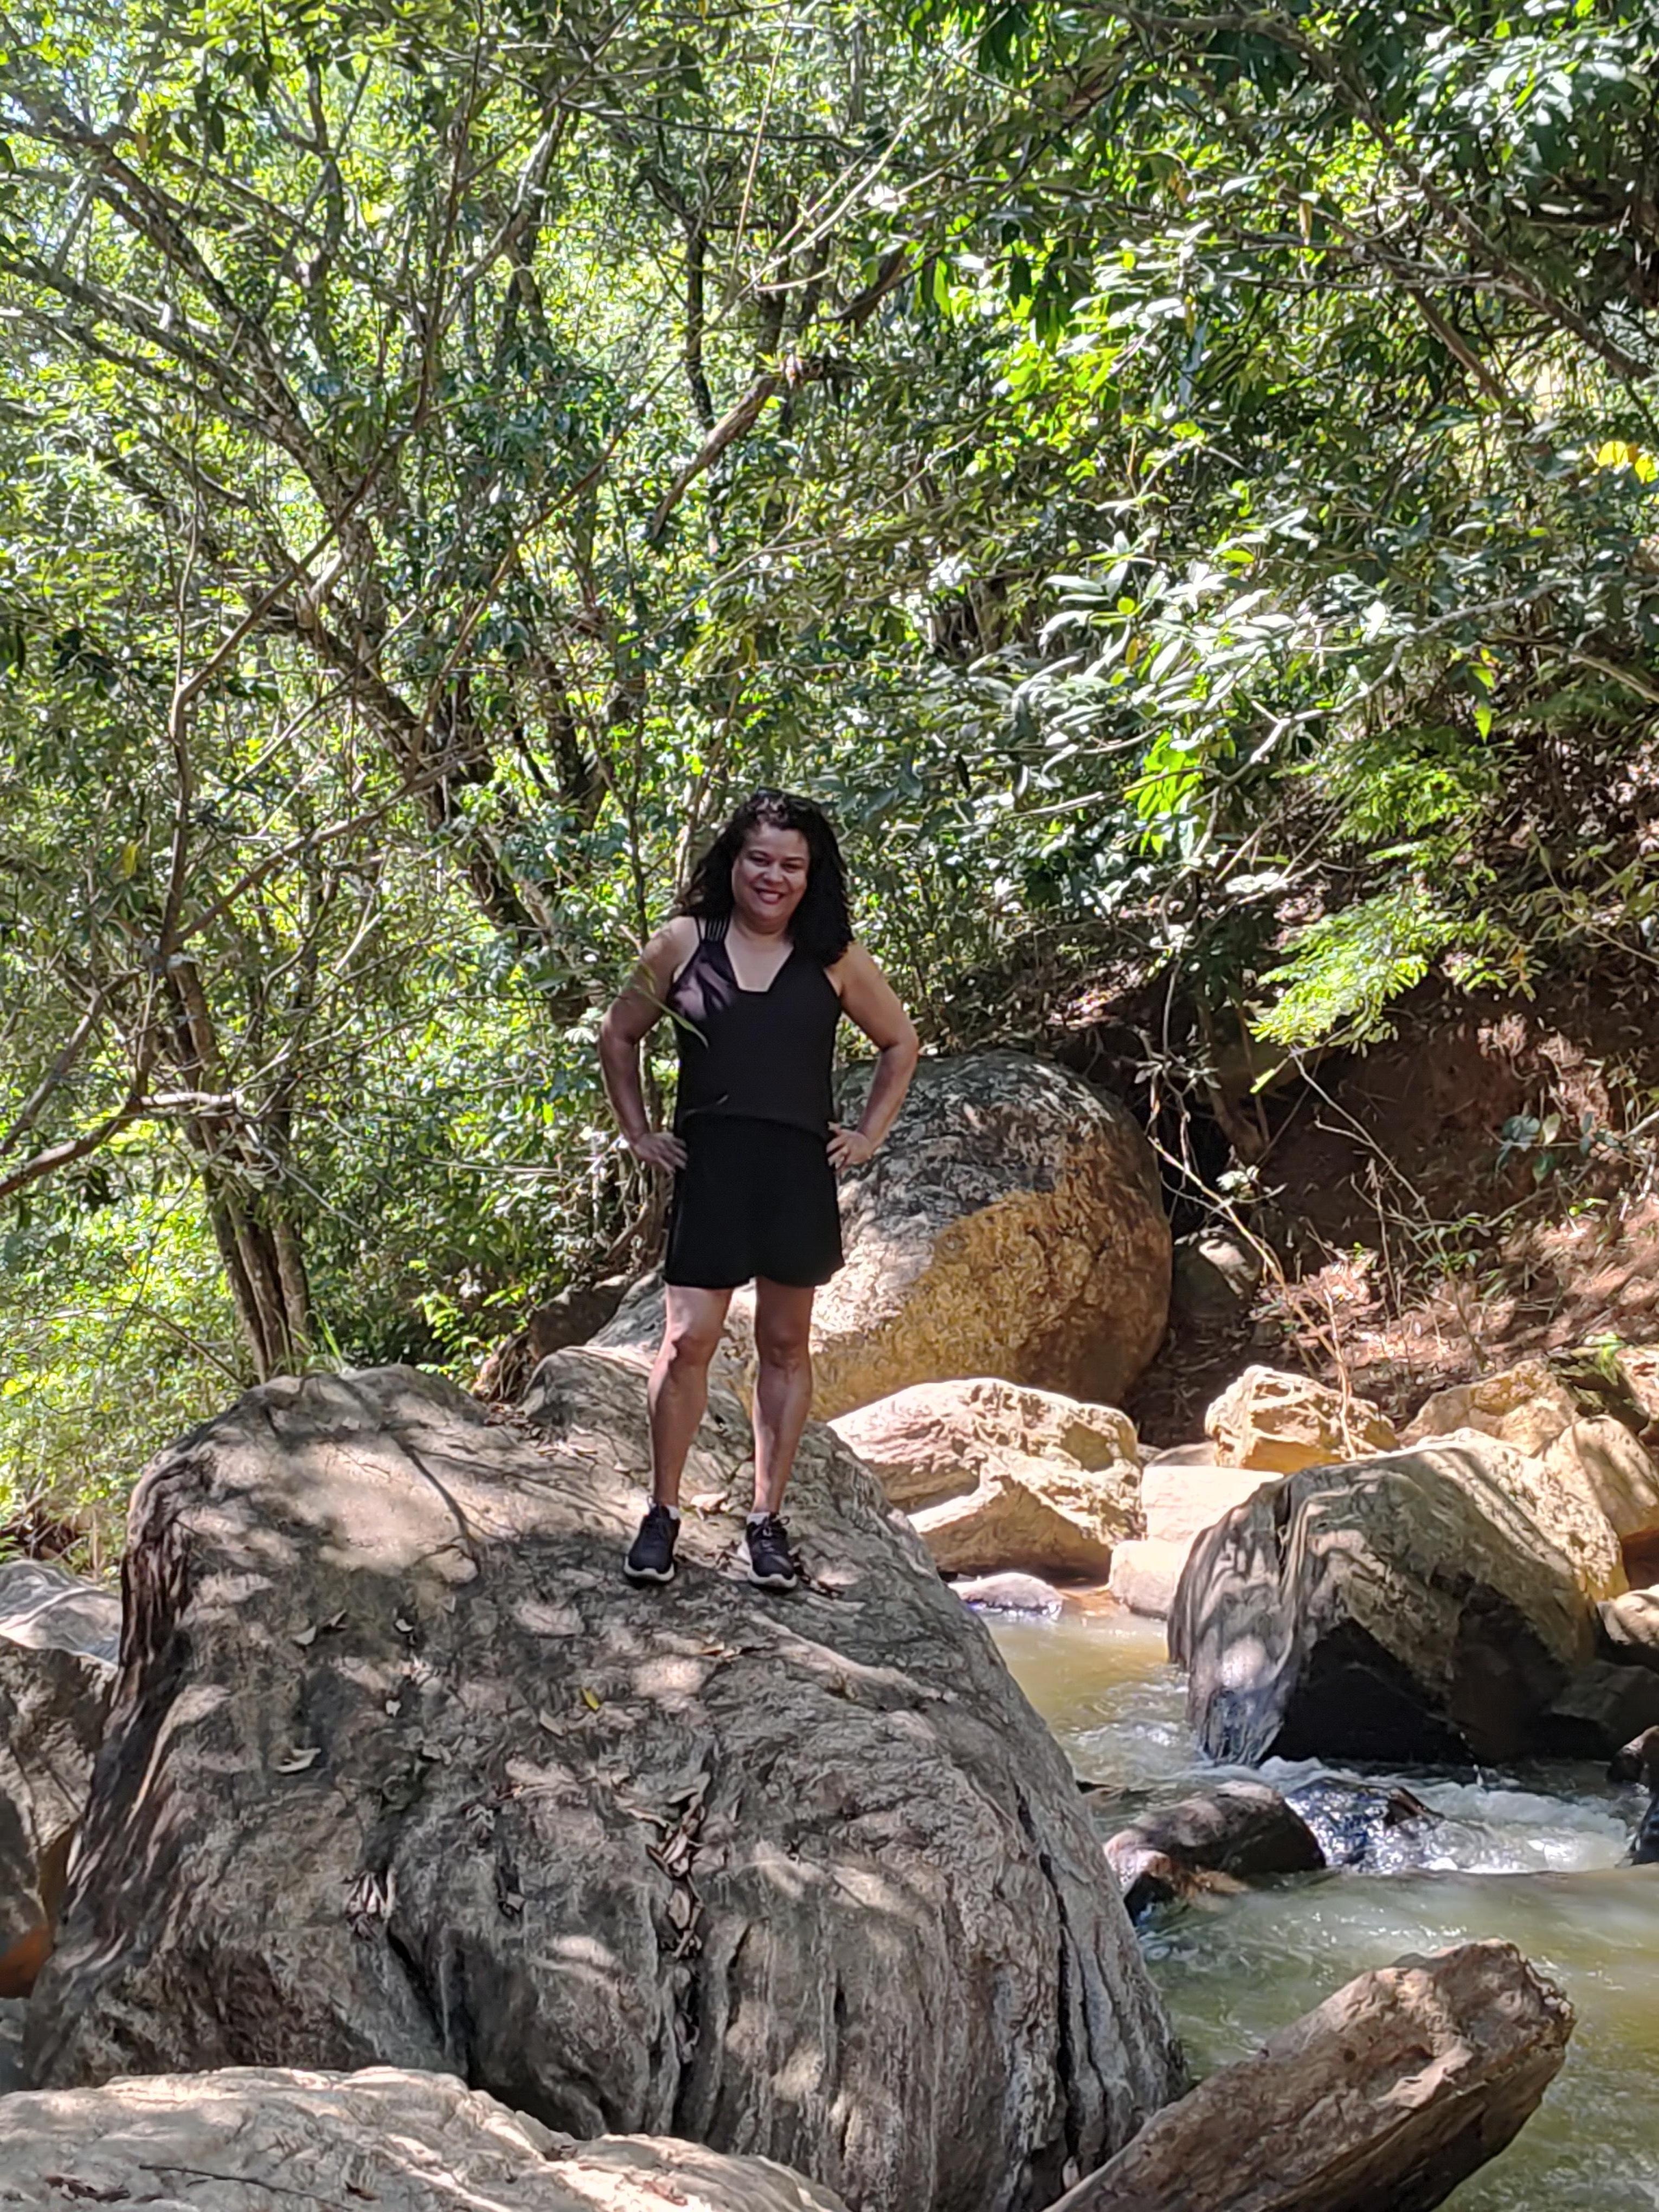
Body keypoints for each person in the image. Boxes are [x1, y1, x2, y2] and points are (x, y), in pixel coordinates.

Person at [598, 790, 918, 1592]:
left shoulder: (834, 956)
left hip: (794, 1171)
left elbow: (899, 1043)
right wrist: (638, 1133)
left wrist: (868, 1134)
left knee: (784, 1345)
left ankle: (766, 1520)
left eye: (791, 865)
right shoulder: (684, 942)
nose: (773, 878)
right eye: (760, 859)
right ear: (733, 862)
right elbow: (619, 1034)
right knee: (687, 1341)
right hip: (710, 1167)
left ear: (812, 876)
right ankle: (662, 1513)